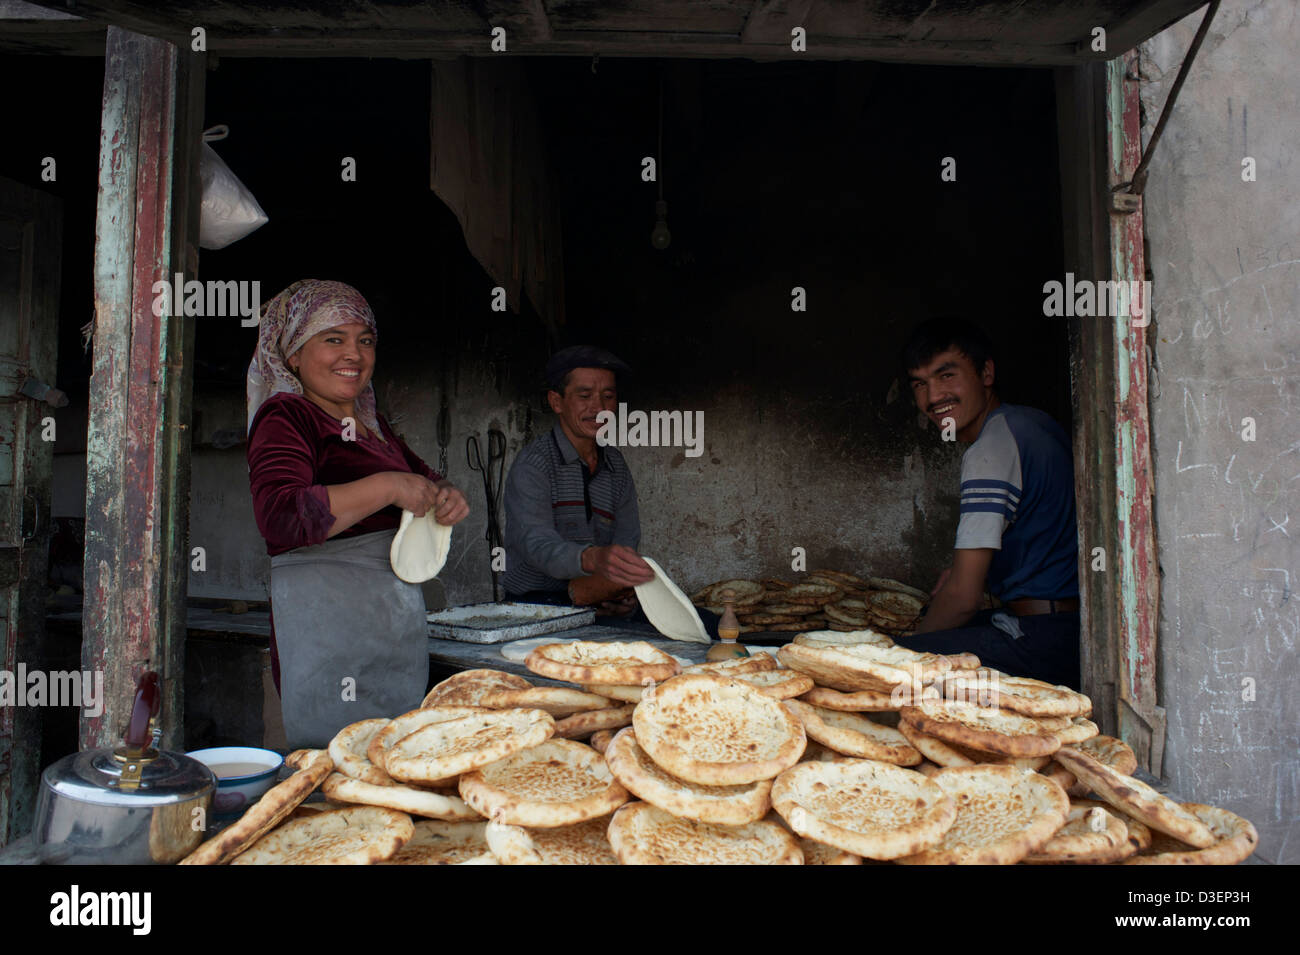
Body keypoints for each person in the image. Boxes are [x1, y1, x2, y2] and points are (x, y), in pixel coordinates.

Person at [246, 279, 469, 748]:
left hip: (390, 620)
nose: (354, 353)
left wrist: (444, 494)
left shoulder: (371, 425)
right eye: (333, 339)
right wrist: (387, 486)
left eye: (364, 341)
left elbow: (423, 477)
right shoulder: (287, 415)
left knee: (392, 758)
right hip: (329, 622)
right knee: (339, 763)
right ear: (292, 355)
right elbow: (280, 517)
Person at [891, 318, 1081, 688]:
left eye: (947, 376)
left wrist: (908, 650)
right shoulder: (1032, 423)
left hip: (1040, 641)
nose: (932, 397)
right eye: (920, 384)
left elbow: (963, 597)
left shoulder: (989, 450)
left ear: (986, 372)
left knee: (882, 670)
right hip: (1066, 628)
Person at [502, 345, 654, 614]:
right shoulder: (534, 464)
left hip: (596, 602)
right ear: (556, 401)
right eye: (585, 395)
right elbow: (537, 545)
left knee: (702, 627)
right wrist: (593, 558)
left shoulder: (616, 467)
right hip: (535, 604)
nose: (599, 407)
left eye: (608, 396)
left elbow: (626, 543)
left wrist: (620, 590)